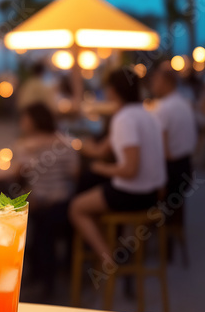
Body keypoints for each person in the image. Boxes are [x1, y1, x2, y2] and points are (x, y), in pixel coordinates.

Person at [69, 68, 166, 265]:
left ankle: (108, 260)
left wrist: (100, 168)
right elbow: (101, 150)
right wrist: (81, 146)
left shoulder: (124, 119)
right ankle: (111, 248)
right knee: (93, 189)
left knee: (76, 207)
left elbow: (130, 169)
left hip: (136, 194)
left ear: (113, 90)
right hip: (156, 192)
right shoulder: (147, 114)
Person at [14, 102, 79, 299]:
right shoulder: (66, 142)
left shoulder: (26, 146)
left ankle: (39, 280)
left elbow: (19, 173)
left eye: (24, 119)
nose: (22, 123)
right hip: (64, 205)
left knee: (29, 220)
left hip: (40, 206)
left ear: (34, 121)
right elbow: (74, 173)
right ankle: (58, 276)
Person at [149, 63, 197, 263]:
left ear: (166, 82)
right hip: (186, 168)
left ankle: (149, 244)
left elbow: (162, 149)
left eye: (155, 80)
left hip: (171, 171)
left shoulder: (163, 109)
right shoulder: (184, 103)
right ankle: (169, 240)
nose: (152, 84)